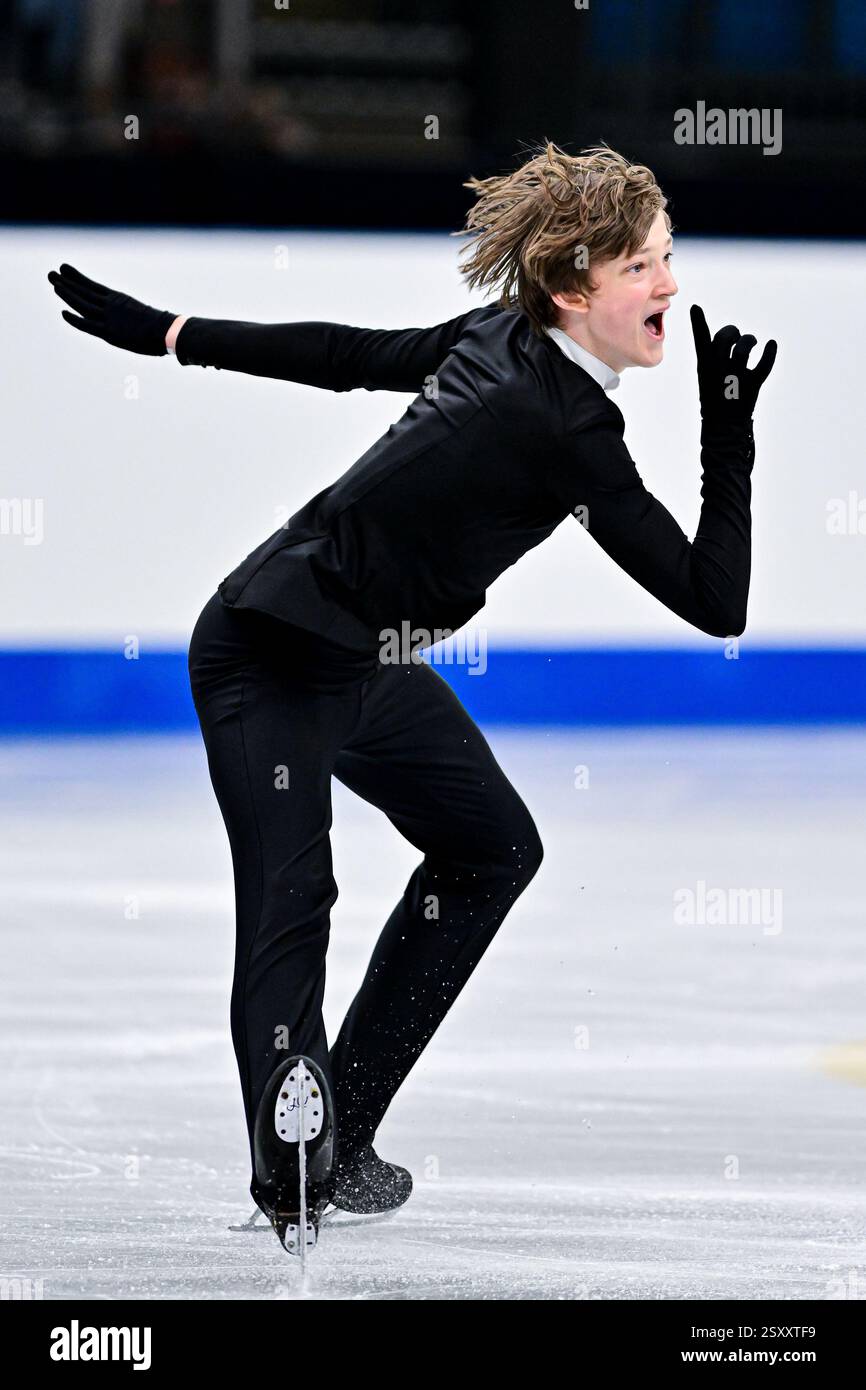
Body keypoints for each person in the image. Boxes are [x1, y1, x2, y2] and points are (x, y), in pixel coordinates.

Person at [47, 142, 777, 1249]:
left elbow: (342, 355)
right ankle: (292, 1169)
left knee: (491, 845)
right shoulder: (563, 427)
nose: (669, 284)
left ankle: (337, 1124)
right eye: (644, 265)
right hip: (265, 654)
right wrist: (730, 438)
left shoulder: (506, 338)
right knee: (294, 899)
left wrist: (170, 334)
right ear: (572, 286)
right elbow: (711, 600)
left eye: (667, 256)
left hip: (362, 664)